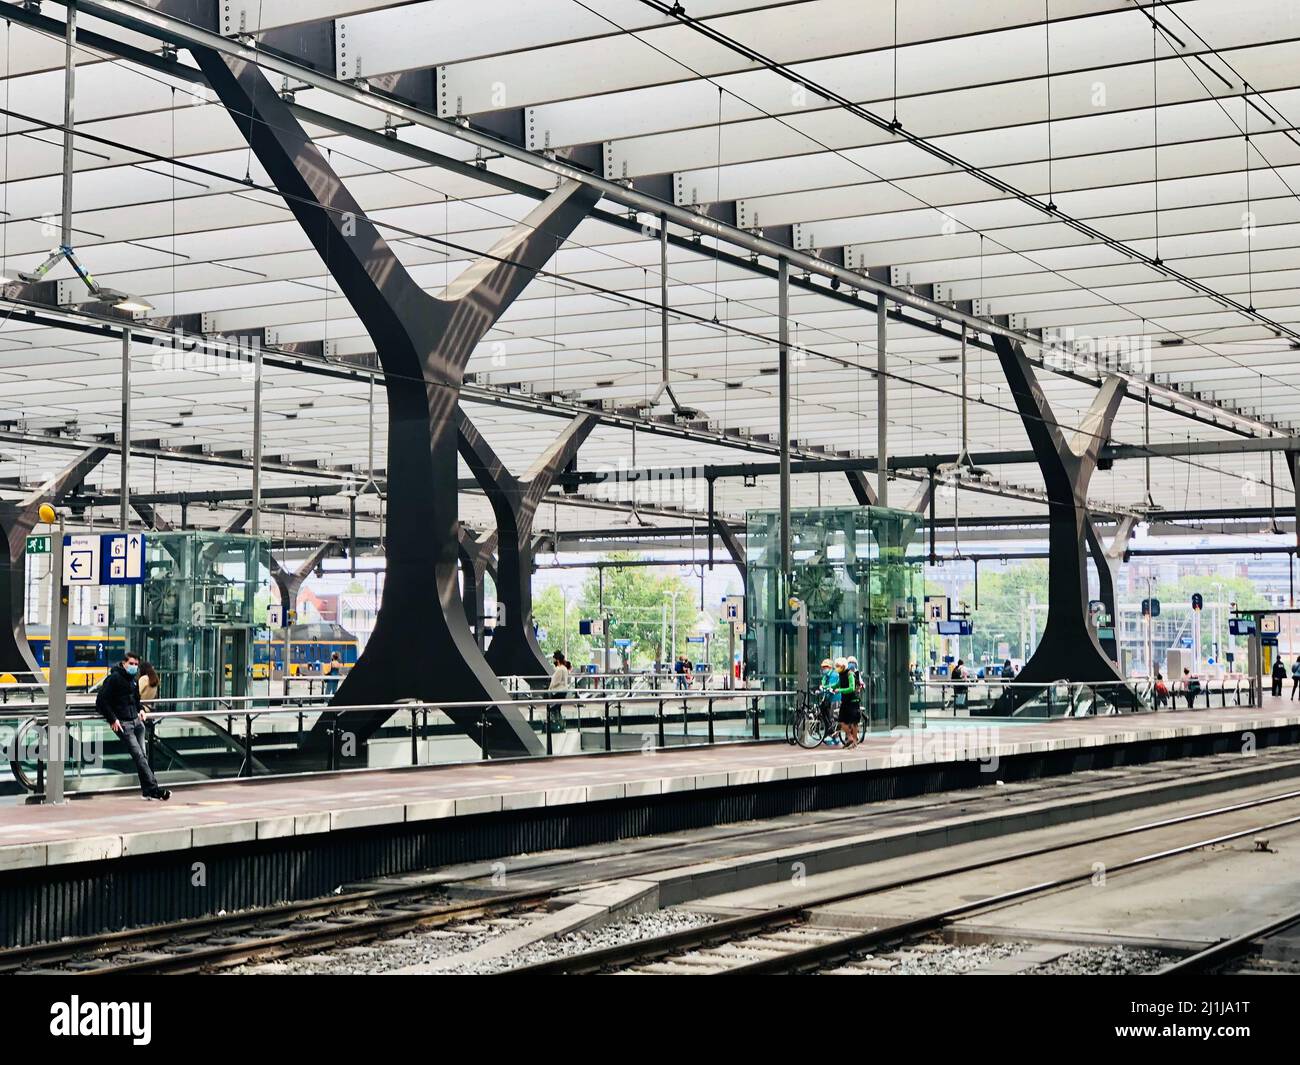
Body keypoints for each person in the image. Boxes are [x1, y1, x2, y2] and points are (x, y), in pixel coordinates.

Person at [96, 652, 169, 801]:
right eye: (131, 663)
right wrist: (112, 719)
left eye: (136, 664)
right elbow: (101, 702)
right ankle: (154, 790)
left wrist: (141, 710)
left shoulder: (133, 680)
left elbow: (136, 700)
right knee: (140, 757)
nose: (134, 667)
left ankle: (147, 791)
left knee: (143, 757)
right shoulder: (114, 679)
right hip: (124, 724)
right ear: (124, 663)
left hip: (137, 722)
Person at [835, 657, 862, 748]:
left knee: (854, 722)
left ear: (843, 666)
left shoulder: (850, 674)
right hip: (845, 701)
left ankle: (855, 742)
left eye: (838, 666)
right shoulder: (840, 674)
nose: (837, 667)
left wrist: (840, 690)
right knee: (841, 721)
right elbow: (837, 684)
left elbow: (851, 688)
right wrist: (827, 686)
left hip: (853, 701)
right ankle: (850, 738)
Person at [547, 650, 570, 734]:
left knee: (553, 709)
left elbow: (556, 682)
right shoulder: (564, 669)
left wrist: (550, 687)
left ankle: (558, 725)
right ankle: (560, 725)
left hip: (558, 692)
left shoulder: (560, 670)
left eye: (554, 659)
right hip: (562, 692)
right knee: (557, 709)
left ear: (557, 660)